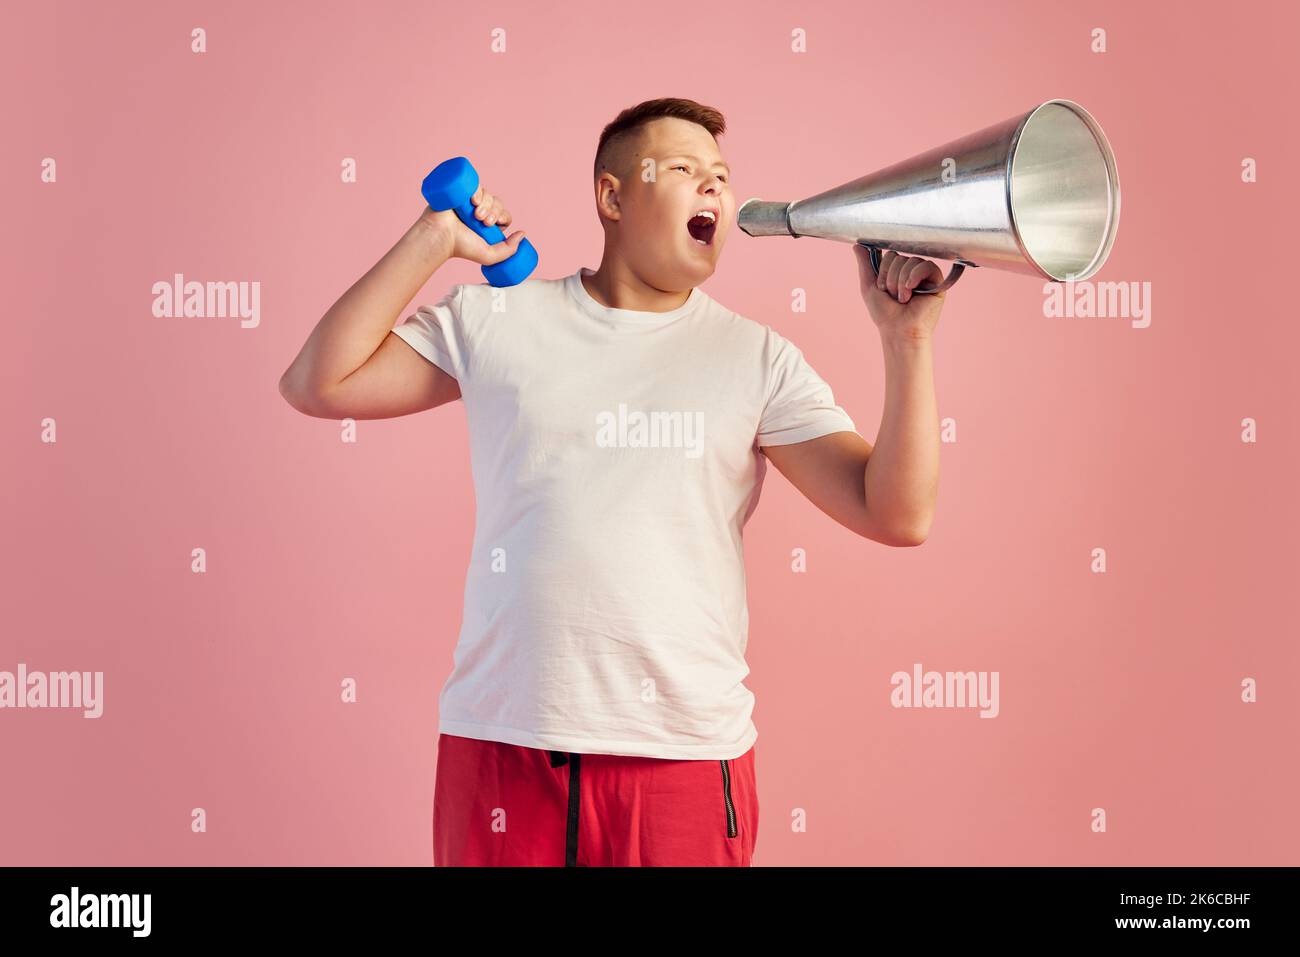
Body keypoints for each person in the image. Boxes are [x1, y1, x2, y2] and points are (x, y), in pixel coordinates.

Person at [278, 97, 947, 866]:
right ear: (613, 196)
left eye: (722, 178)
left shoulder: (756, 359)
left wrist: (908, 340)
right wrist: (436, 238)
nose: (715, 191)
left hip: (684, 762)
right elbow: (317, 383)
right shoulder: (499, 319)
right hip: (504, 748)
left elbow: (896, 512)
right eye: (687, 170)